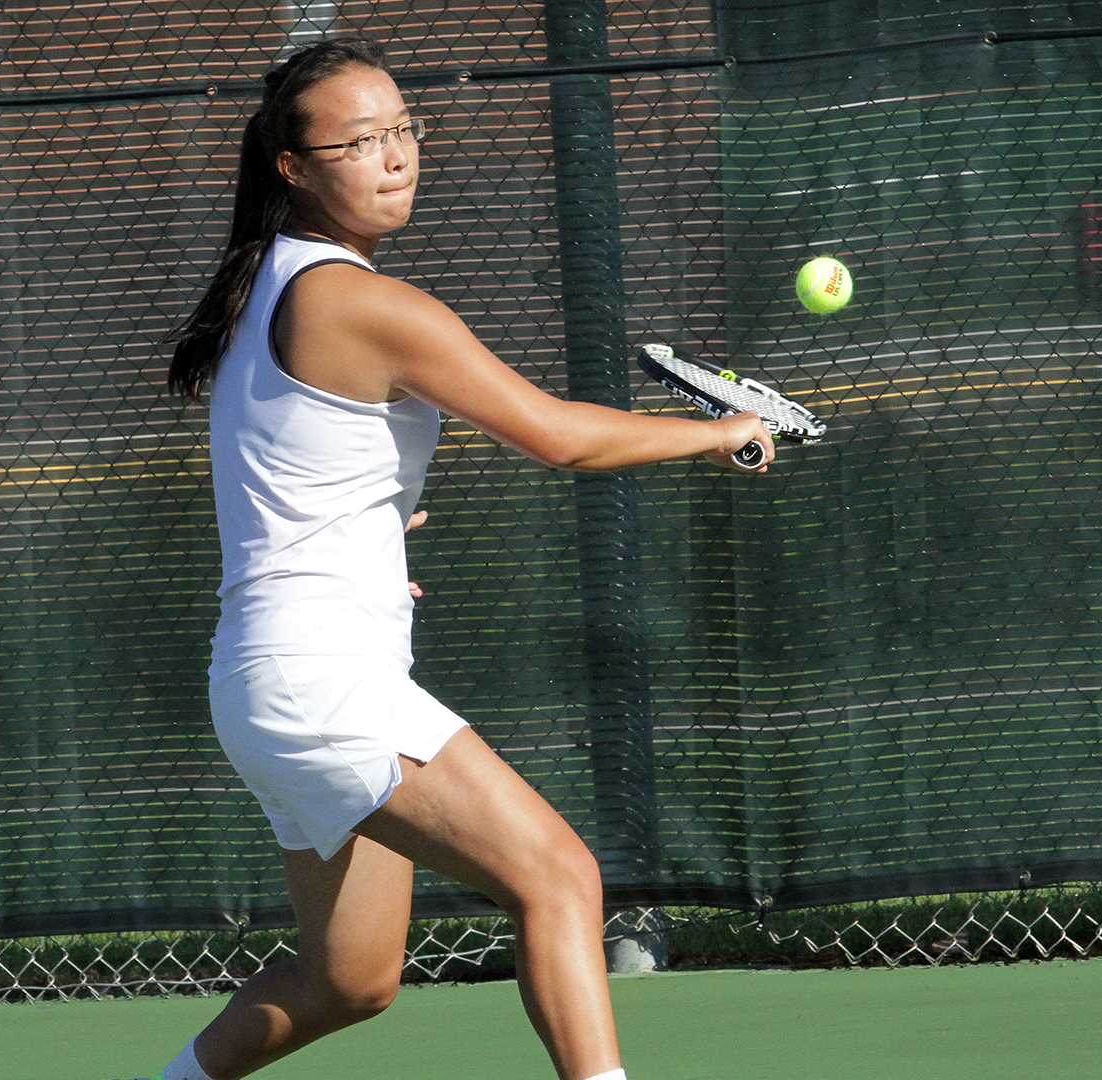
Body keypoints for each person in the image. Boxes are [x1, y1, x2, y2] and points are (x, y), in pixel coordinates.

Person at [144, 35, 776, 1080]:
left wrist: (366, 536)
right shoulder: (363, 303)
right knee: (558, 875)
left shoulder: (268, 284)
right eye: (359, 142)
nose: (394, 156)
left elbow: (287, 462)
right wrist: (718, 432)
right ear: (293, 167)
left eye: (404, 130)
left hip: (262, 685)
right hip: (317, 679)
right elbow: (558, 436)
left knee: (349, 981)